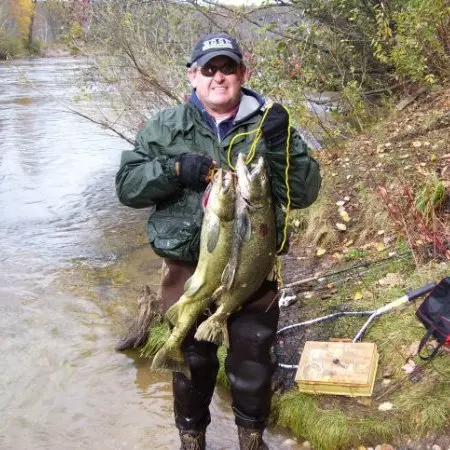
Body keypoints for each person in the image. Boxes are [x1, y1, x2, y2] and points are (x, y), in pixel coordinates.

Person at [115, 32, 321, 450]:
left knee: (253, 359)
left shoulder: (270, 123)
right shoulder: (164, 126)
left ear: (244, 73)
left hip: (254, 266)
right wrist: (173, 170)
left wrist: (282, 145)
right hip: (189, 269)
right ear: (193, 76)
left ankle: (251, 439)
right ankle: (192, 440)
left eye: (228, 67)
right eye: (209, 68)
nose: (219, 76)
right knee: (191, 360)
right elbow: (127, 187)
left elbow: (304, 192)